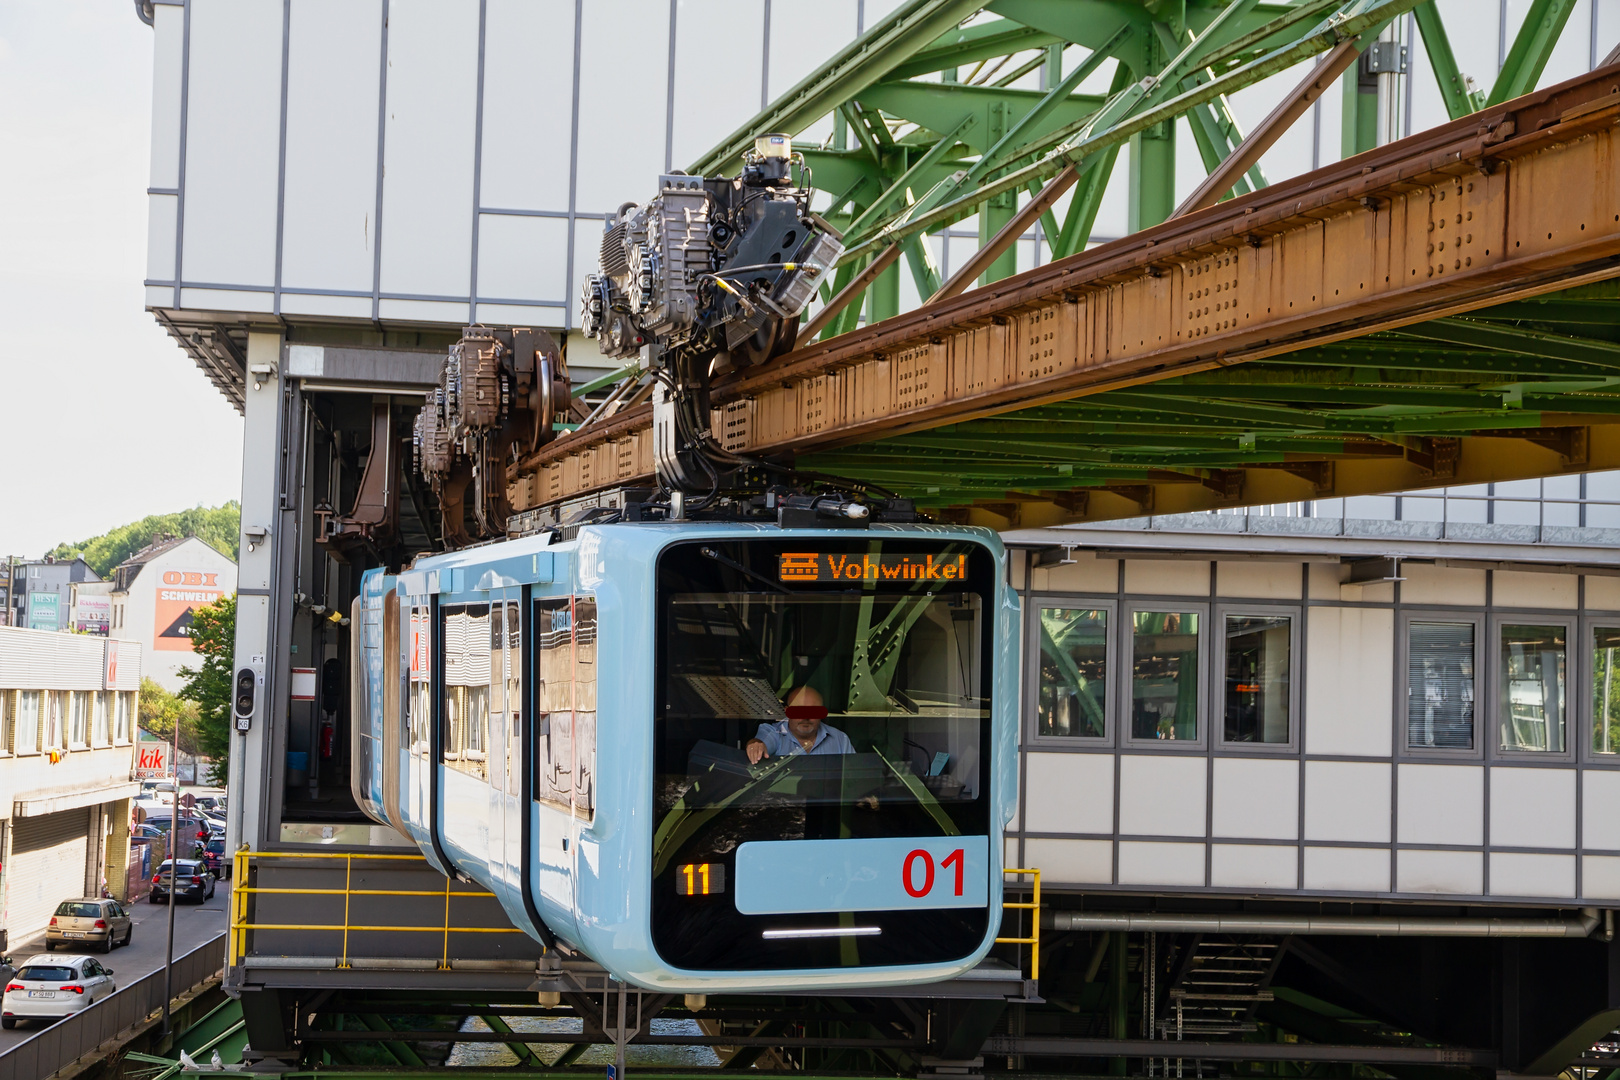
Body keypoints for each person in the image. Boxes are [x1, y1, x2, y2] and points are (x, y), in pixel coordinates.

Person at [745, 685, 853, 763]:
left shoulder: (840, 739)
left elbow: (853, 777)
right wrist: (755, 746)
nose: (806, 717)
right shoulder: (774, 733)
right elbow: (760, 743)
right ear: (787, 711)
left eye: (813, 711)